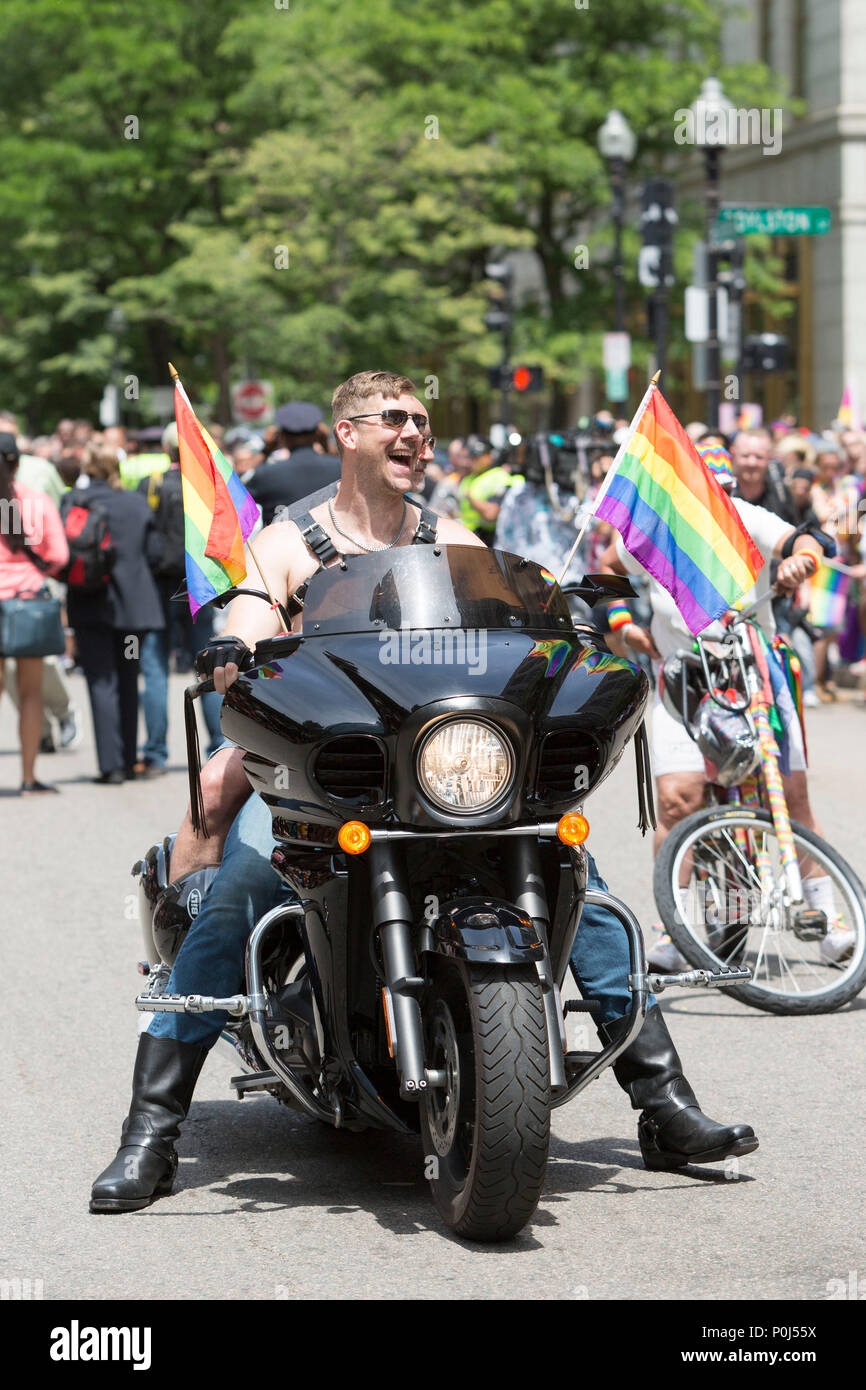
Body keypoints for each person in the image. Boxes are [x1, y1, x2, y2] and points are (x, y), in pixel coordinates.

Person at [89, 372, 758, 1213]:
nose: (416, 435)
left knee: (580, 880)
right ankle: (152, 1132)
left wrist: (572, 630)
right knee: (243, 888)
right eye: (396, 420)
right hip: (338, 773)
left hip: (446, 768)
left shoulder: (454, 540)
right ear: (346, 433)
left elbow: (516, 630)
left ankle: (664, 1106)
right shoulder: (291, 542)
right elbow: (252, 615)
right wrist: (235, 644)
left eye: (424, 422)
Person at [599, 443, 849, 970]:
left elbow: (806, 538)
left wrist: (803, 559)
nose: (720, 504)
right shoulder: (656, 531)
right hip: (682, 680)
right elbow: (606, 569)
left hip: (754, 673)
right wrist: (624, 624)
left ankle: (827, 920)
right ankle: (677, 928)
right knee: (678, 800)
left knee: (789, 794)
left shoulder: (746, 518)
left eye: (725, 494)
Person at [63, 441, 165, 784]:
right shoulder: (136, 503)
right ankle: (128, 758)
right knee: (127, 680)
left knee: (100, 682)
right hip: (132, 611)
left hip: (91, 604)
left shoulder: (74, 502)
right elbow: (153, 554)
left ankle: (111, 766)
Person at [0, 431, 70, 793]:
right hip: (26, 603)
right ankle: (28, 778)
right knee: (30, 694)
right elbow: (59, 557)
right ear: (16, 462)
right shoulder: (37, 501)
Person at [246, 402, 341, 525]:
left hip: (280, 542)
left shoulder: (266, 474)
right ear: (318, 434)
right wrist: (326, 444)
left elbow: (236, 493)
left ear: (281, 436)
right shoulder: (340, 468)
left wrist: (266, 451)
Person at [729, 427, 797, 524]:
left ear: (770, 457)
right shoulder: (722, 493)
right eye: (745, 456)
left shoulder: (780, 492)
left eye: (759, 457)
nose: (752, 463)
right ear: (733, 453)